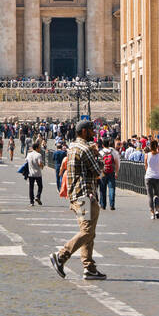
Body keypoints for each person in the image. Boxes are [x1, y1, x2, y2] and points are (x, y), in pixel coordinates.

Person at [48, 119, 106, 281]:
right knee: (87, 231)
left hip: (77, 195)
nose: (94, 133)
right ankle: (61, 256)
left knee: (88, 233)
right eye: (91, 130)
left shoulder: (73, 147)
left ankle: (89, 268)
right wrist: (97, 156)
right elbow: (98, 171)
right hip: (85, 195)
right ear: (84, 131)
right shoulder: (85, 149)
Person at [144, 139, 159, 220]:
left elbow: (145, 165)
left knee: (150, 196)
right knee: (156, 194)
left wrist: (148, 172)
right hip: (158, 176)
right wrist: (158, 172)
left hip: (149, 176)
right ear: (157, 146)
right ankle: (157, 210)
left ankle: (152, 213)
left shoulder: (147, 155)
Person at [98, 139, 119, 211]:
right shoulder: (113, 152)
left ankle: (103, 205)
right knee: (111, 188)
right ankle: (112, 205)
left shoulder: (100, 152)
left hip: (102, 172)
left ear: (103, 145)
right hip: (111, 172)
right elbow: (117, 163)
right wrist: (116, 172)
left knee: (102, 189)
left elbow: (98, 163)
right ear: (109, 144)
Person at [26, 141, 44, 206]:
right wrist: (42, 166)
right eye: (39, 147)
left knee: (31, 187)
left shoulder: (29, 154)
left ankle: (31, 202)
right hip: (38, 173)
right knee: (40, 186)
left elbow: (26, 161)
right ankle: (38, 196)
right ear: (36, 148)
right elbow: (40, 164)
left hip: (30, 173)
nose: (40, 149)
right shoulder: (39, 155)